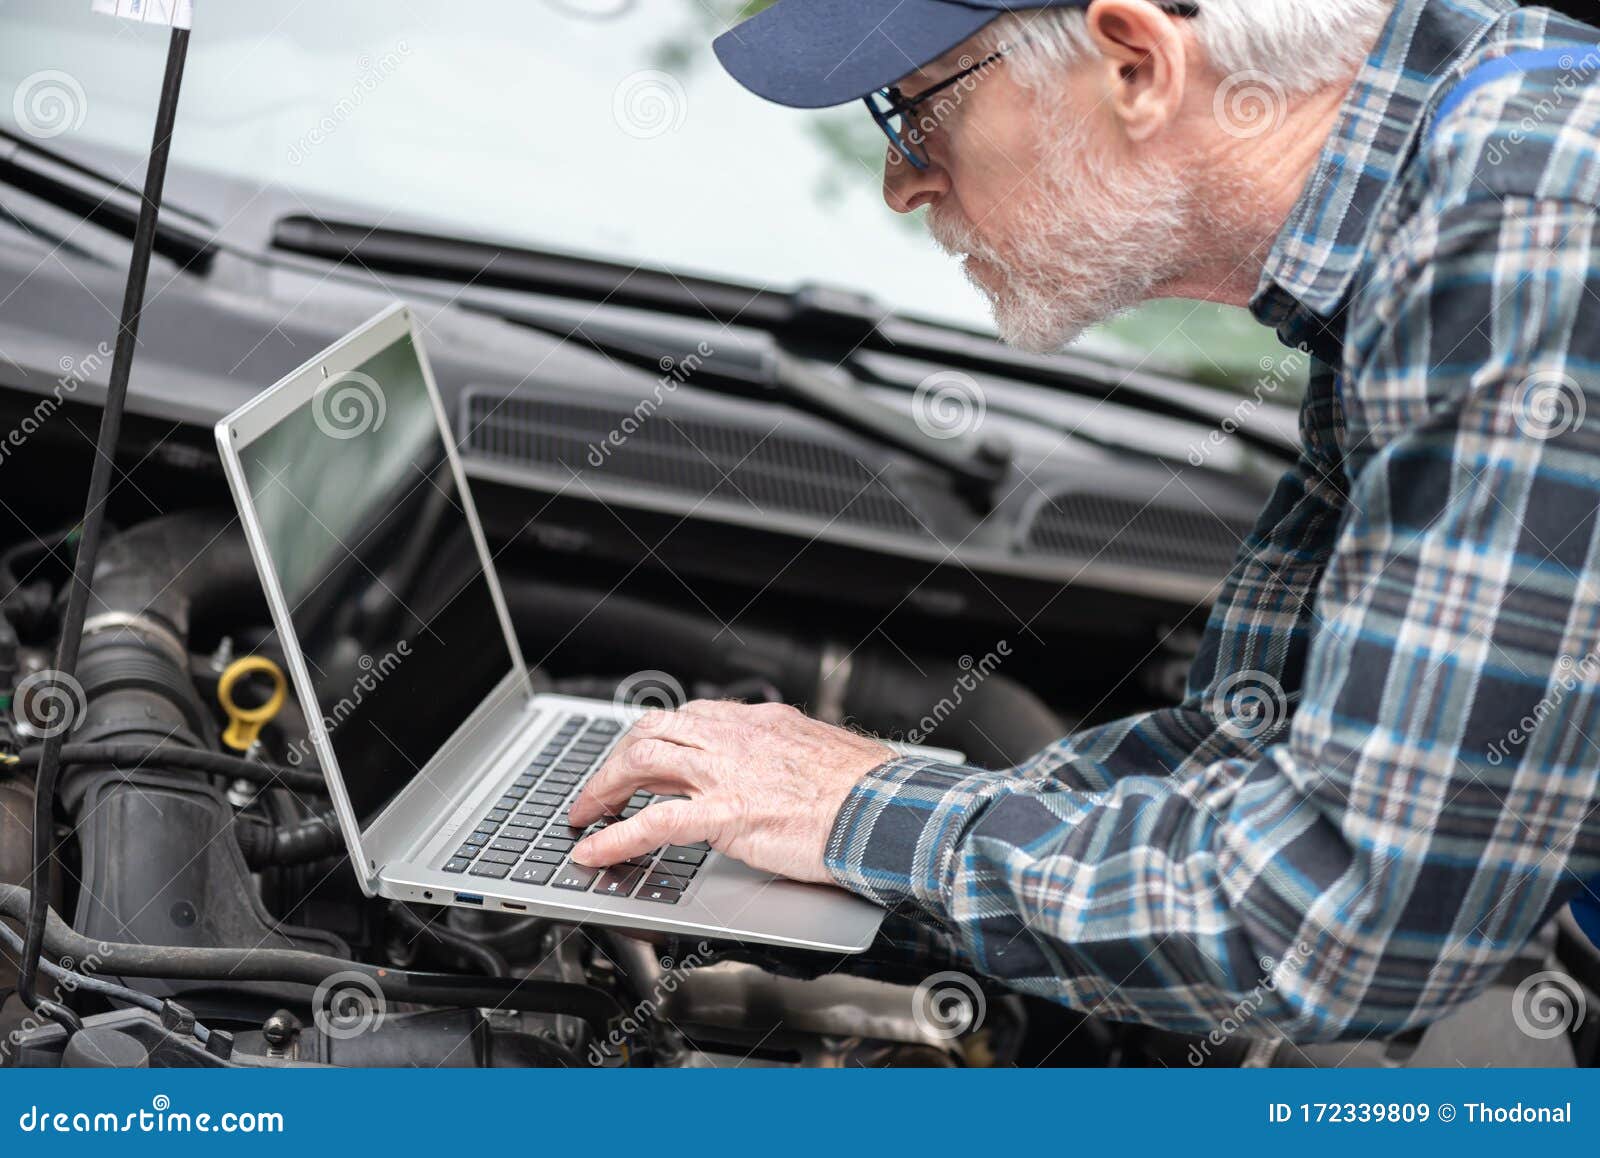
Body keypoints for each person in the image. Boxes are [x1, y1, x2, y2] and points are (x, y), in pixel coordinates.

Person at [571, 0, 1600, 1044]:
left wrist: (853, 809)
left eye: (911, 108)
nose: (901, 183)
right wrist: (808, 832)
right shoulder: (1443, 196)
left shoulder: (1530, 233)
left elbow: (1329, 917)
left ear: (1136, 64)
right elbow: (1246, 752)